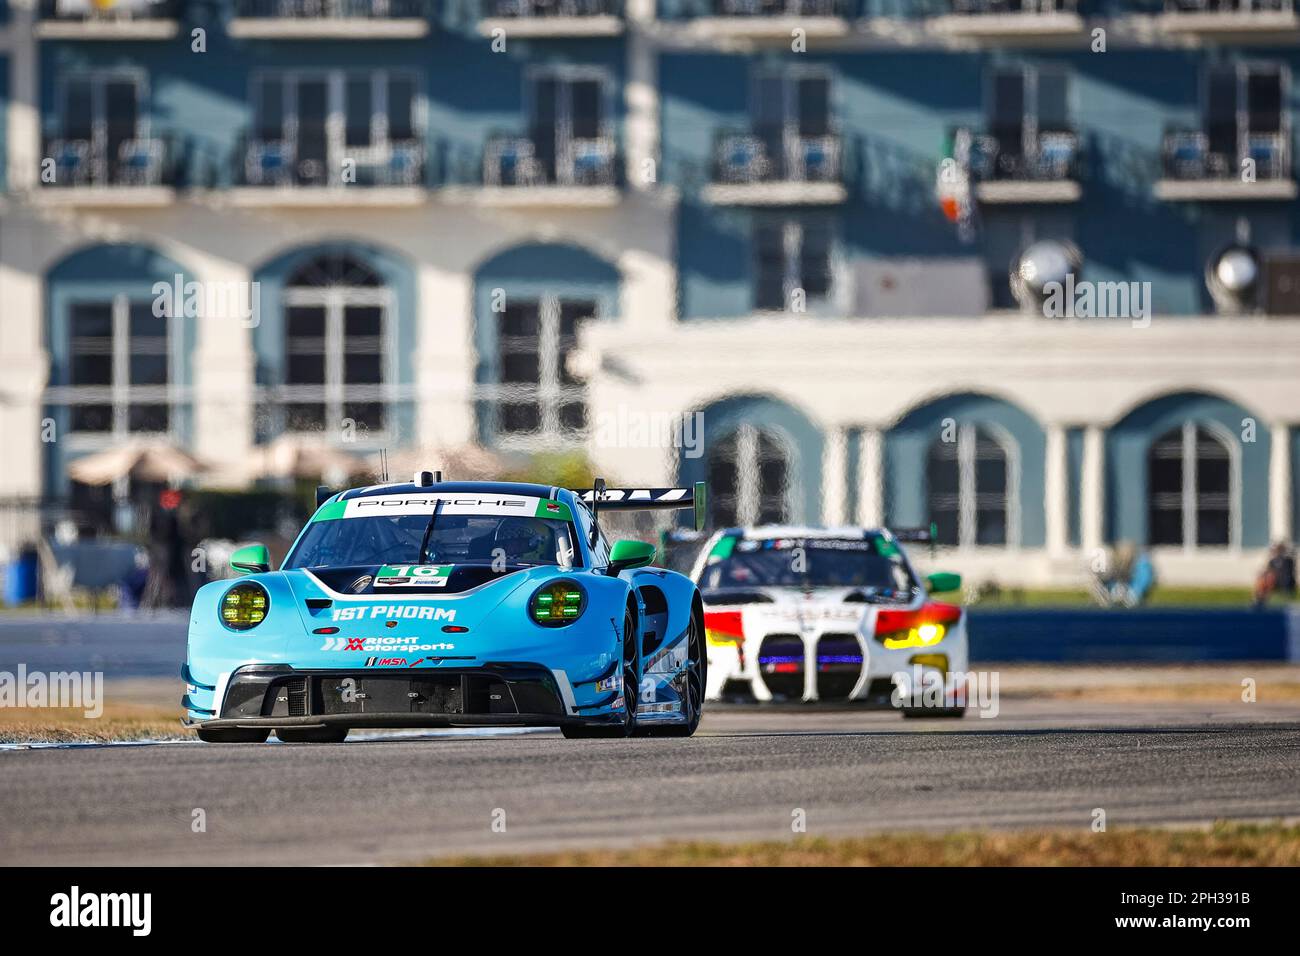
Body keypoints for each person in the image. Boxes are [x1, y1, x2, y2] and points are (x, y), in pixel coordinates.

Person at [1253, 542, 1296, 608]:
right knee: (1263, 578)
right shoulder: (1272, 561)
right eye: (1277, 549)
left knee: (1270, 578)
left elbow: (1289, 573)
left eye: (1280, 549)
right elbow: (1268, 571)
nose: (1278, 551)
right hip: (1273, 581)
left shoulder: (1288, 560)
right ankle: (1259, 598)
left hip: (1284, 582)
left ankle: (1262, 599)